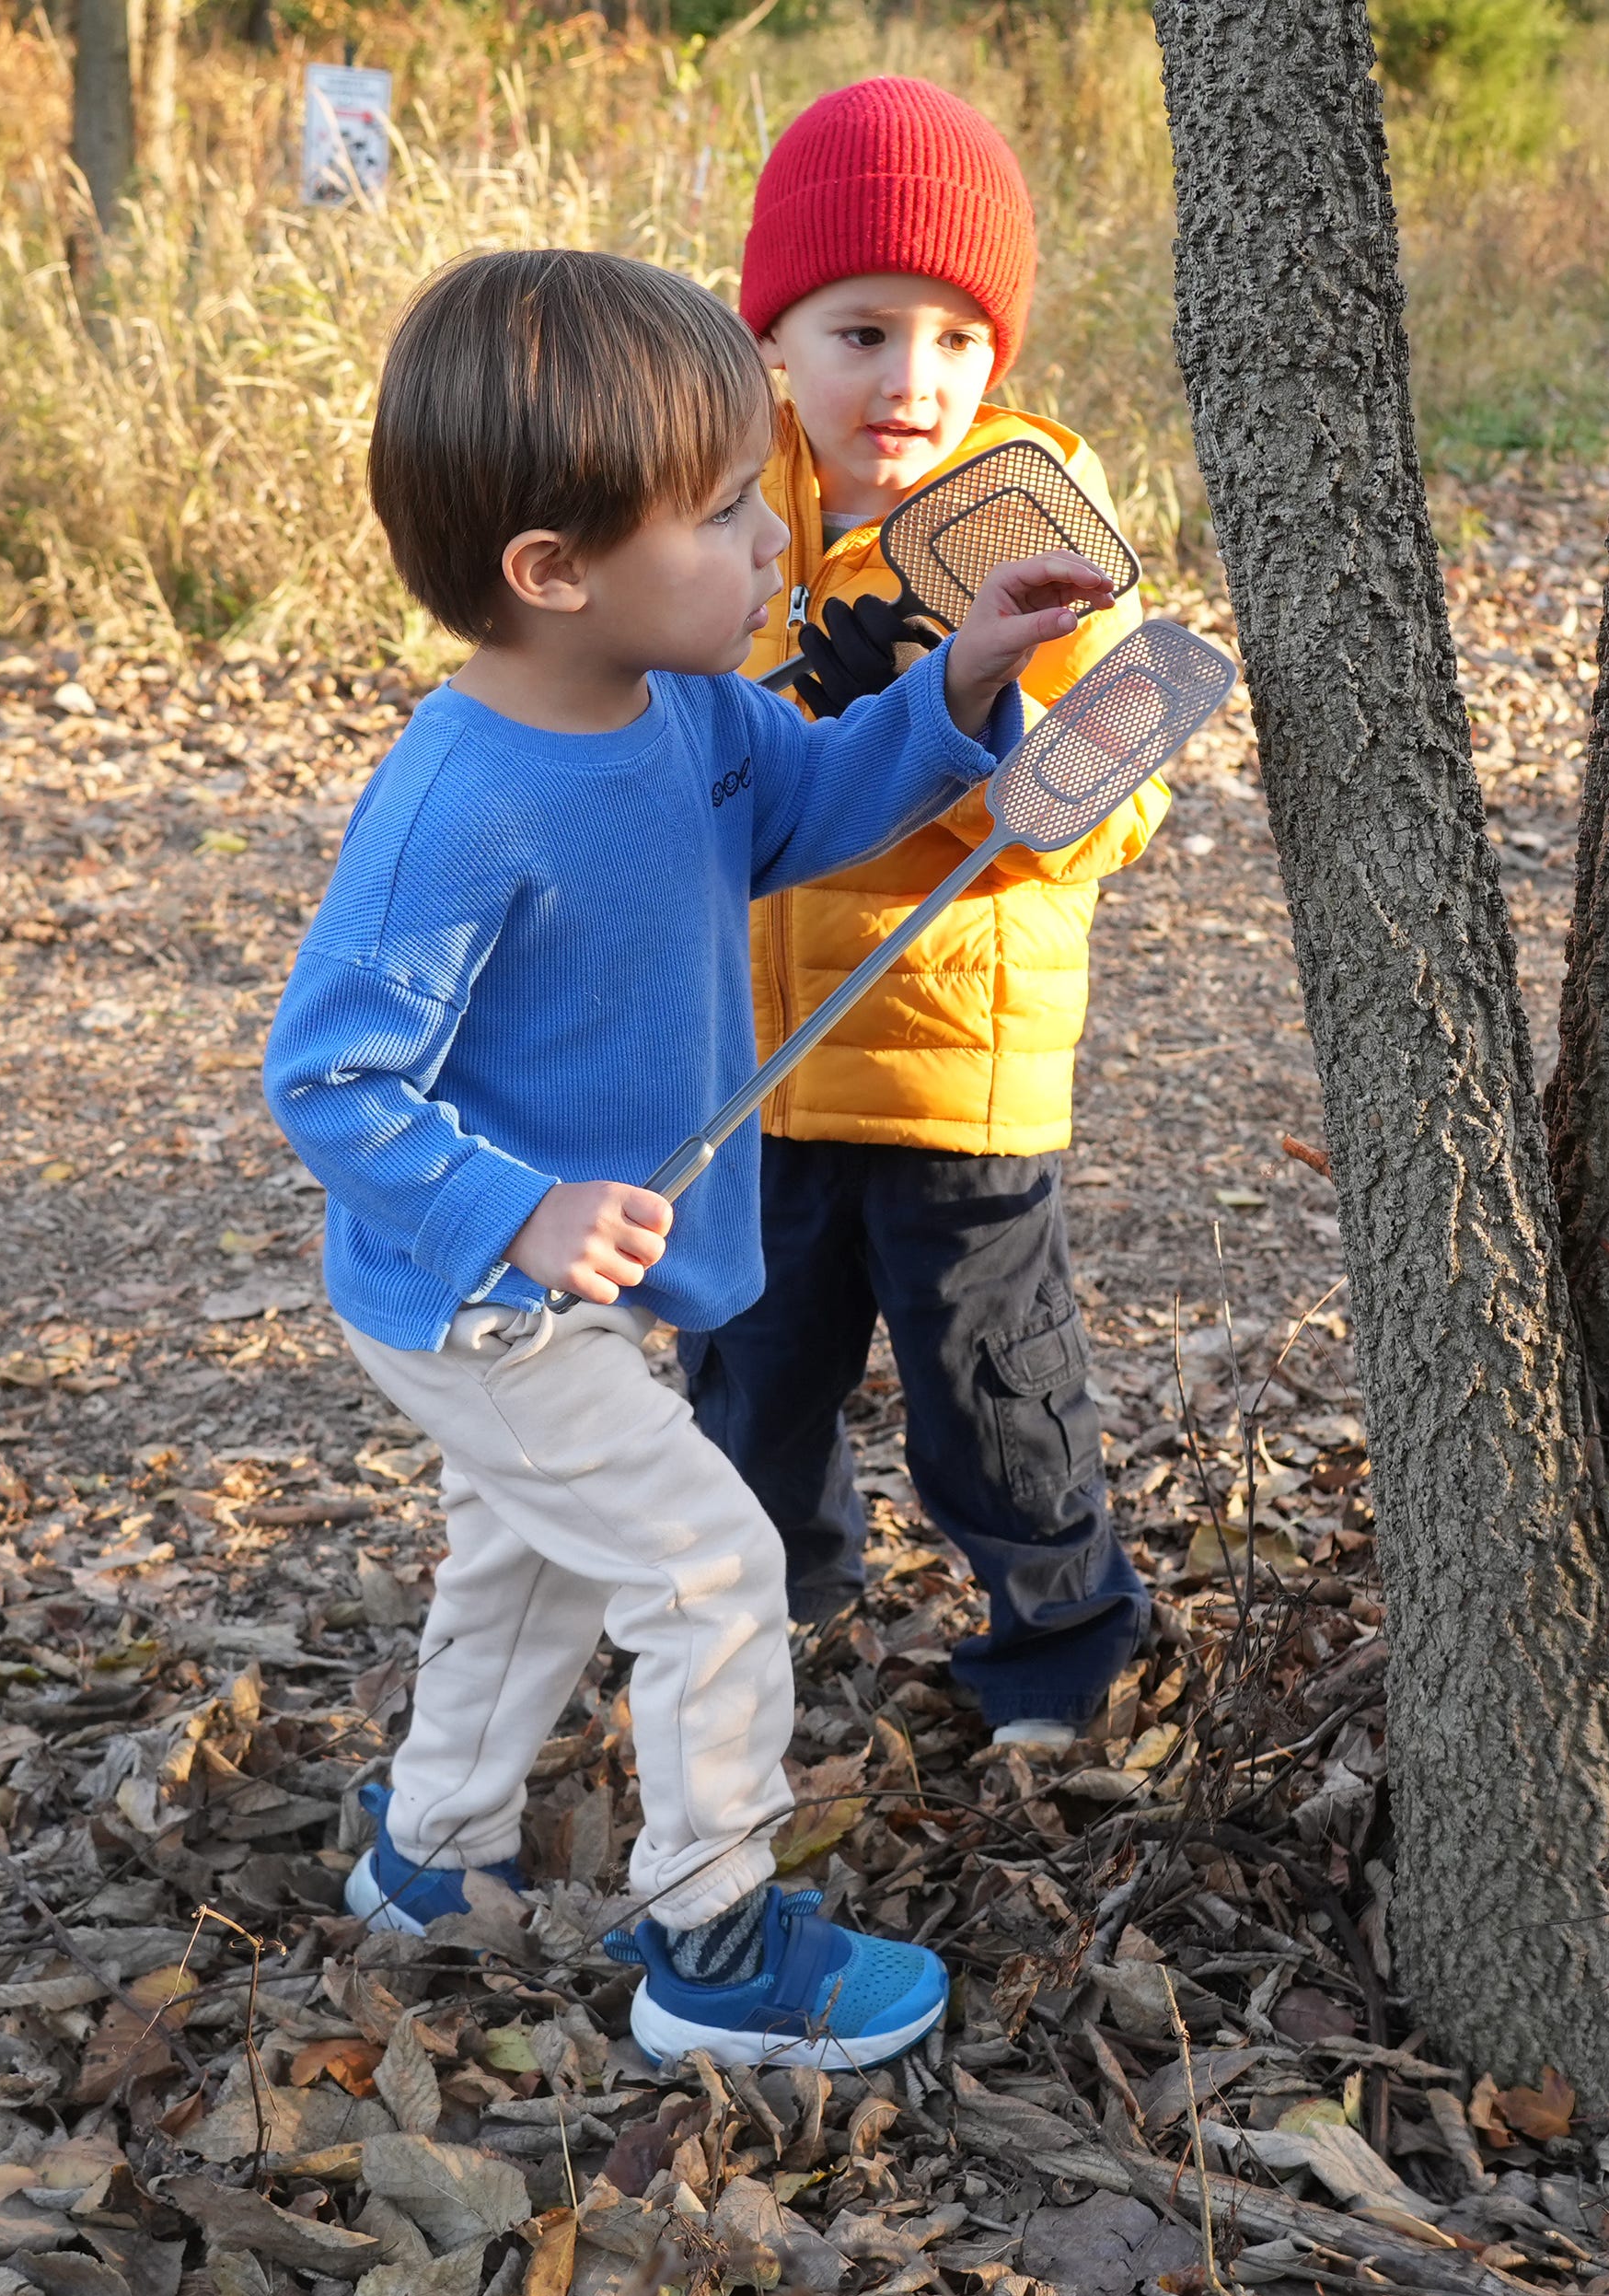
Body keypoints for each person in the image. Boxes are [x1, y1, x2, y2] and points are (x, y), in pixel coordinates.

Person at [262, 247, 1111, 2069]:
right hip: (473, 1288)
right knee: (715, 1565)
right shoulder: (460, 798)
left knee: (532, 1557)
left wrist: (963, 673)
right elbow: (331, 1082)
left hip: (555, 1280)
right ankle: (717, 1935)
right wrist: (525, 1207)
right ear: (552, 575)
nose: (773, 552)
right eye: (723, 518)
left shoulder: (691, 714)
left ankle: (432, 1862)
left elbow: (818, 798)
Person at [687, 77, 1163, 1753]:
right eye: (863, 332)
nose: (913, 383)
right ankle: (772, 1624)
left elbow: (1115, 802)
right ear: (779, 339)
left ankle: (1058, 1651)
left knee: (992, 1394)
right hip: (748, 1068)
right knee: (751, 1382)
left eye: (957, 340)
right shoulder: (715, 517)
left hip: (954, 1059)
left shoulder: (1037, 537)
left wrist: (965, 727)